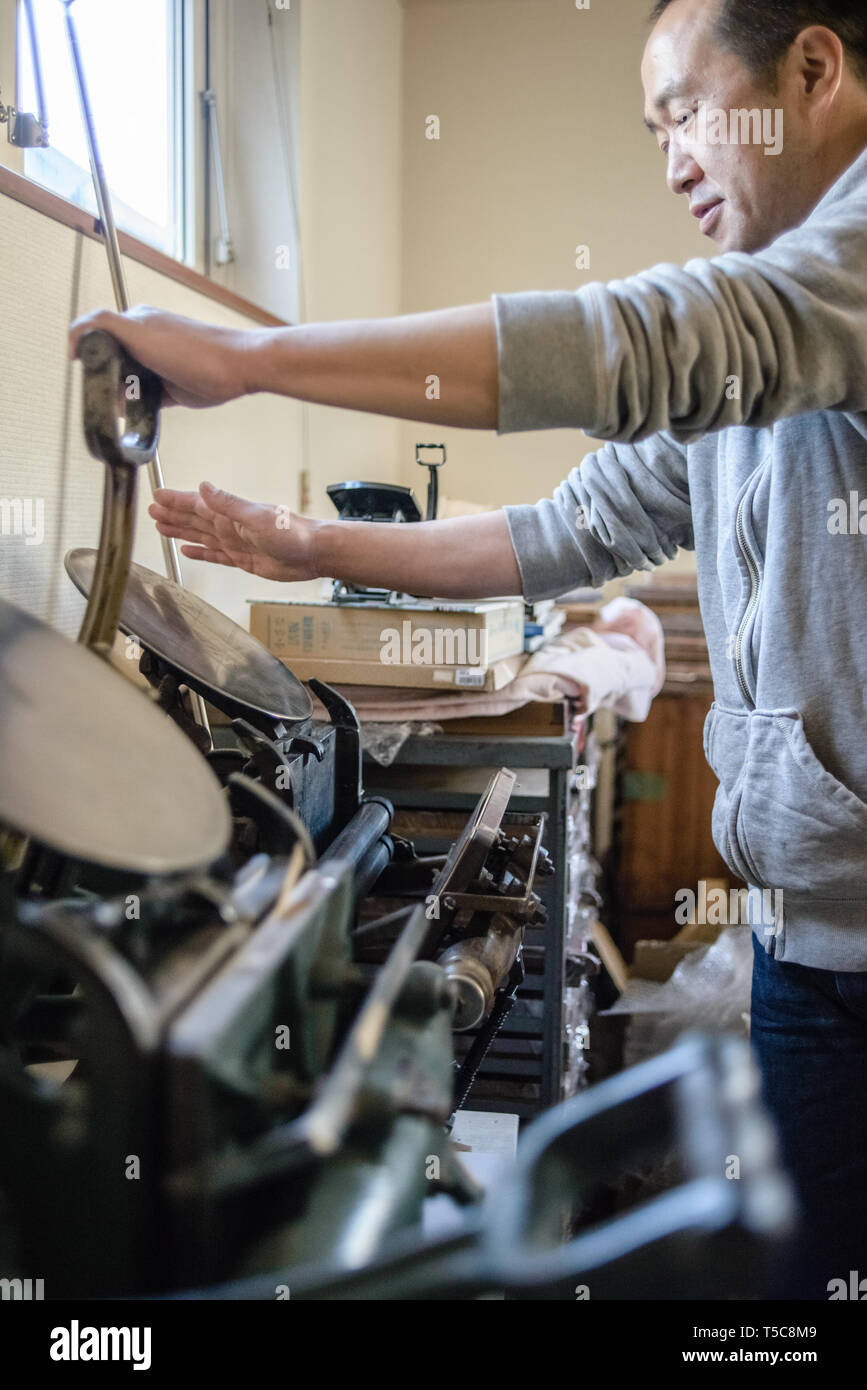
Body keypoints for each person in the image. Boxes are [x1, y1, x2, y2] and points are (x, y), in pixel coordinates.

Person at [70, 0, 867, 1299]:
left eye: (684, 109)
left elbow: (639, 343)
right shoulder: (764, 354)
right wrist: (303, 541)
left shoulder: (822, 279)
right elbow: (571, 526)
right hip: (807, 935)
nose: (669, 156)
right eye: (650, 129)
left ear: (814, 68)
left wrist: (249, 358)